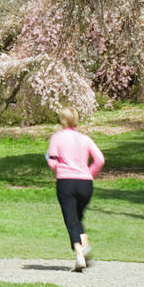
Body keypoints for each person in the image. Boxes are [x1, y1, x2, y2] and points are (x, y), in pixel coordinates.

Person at [45, 105, 105, 271]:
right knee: (77, 217)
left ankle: (79, 254)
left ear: (62, 120)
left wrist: (55, 164)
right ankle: (84, 245)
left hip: (66, 181)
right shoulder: (85, 139)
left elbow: (52, 163)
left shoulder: (57, 138)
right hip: (86, 183)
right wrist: (89, 173)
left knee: (71, 220)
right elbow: (100, 159)